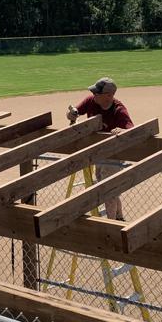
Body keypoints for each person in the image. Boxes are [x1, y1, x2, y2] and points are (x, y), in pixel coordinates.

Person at [66, 77, 133, 220]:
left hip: (114, 155)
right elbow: (75, 111)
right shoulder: (91, 101)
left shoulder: (119, 110)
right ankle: (119, 217)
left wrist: (122, 131)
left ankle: (111, 224)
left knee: (108, 191)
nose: (94, 95)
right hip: (98, 152)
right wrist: (71, 114)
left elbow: (131, 129)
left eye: (97, 93)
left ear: (109, 96)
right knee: (111, 190)